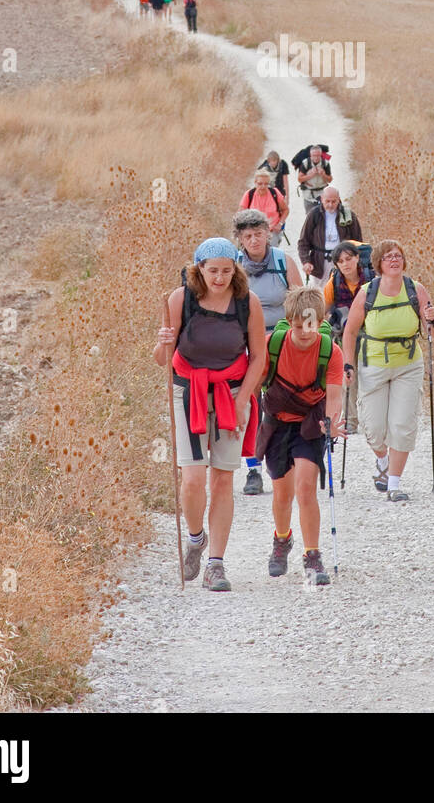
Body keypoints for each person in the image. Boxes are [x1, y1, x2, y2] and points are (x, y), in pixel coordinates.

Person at [154, 237, 267, 591]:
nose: (219, 278)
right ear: (199, 269)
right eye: (212, 270)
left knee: (222, 479)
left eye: (226, 271)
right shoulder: (180, 299)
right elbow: (161, 360)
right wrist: (163, 342)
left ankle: (216, 565)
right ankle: (195, 538)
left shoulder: (247, 302)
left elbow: (258, 357)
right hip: (188, 391)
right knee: (192, 480)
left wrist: (243, 400)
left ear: (235, 270)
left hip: (231, 392)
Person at [256, 286, 345, 586]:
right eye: (298, 326)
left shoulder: (330, 351)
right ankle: (282, 539)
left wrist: (330, 423)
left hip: (311, 423)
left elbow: (334, 396)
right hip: (278, 422)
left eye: (311, 326)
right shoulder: (273, 345)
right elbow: (255, 384)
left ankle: (312, 555)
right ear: (289, 322)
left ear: (321, 321)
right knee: (282, 494)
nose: (305, 333)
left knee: (306, 488)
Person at [341, 239, 434, 503]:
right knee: (373, 428)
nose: (394, 260)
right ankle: (382, 460)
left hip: (408, 365)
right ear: (378, 264)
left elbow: (433, 332)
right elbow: (350, 332)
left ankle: (393, 484)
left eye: (398, 256)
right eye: (388, 257)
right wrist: (348, 364)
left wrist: (431, 320)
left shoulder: (416, 289)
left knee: (402, 425)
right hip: (373, 365)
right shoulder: (367, 293)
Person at [234, 208, 303, 496]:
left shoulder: (283, 261)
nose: (254, 240)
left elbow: (301, 302)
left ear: (268, 234)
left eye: (259, 234)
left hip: (280, 339)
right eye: (248, 236)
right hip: (245, 343)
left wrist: (294, 336)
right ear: (240, 239)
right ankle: (253, 468)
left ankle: (285, 462)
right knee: (251, 404)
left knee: (283, 402)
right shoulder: (233, 266)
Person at [323, 240, 374, 435]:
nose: (345, 264)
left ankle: (371, 419)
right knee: (348, 375)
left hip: (371, 335)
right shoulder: (334, 283)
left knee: (371, 376)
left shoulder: (372, 279)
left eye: (349, 258)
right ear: (336, 264)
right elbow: (324, 309)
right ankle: (351, 420)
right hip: (345, 336)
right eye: (341, 261)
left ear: (357, 258)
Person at [298, 185, 362, 283]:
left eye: (334, 201)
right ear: (322, 199)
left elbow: (358, 241)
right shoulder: (314, 215)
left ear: (339, 200)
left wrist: (358, 262)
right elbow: (303, 242)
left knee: (344, 289)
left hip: (344, 262)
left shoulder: (348, 215)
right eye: (327, 201)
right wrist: (306, 261)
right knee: (322, 291)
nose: (330, 205)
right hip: (320, 263)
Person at [239, 169, 289, 243]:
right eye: (260, 183)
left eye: (266, 184)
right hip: (254, 235)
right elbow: (240, 215)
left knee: (270, 250)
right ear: (255, 183)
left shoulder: (274, 193)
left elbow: (285, 210)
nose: (263, 186)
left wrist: (280, 224)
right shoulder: (249, 194)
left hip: (272, 233)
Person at [293, 144, 332, 214]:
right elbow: (300, 179)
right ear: (310, 155)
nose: (316, 158)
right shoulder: (305, 163)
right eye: (314, 156)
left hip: (323, 195)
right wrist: (311, 175)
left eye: (318, 155)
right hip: (309, 196)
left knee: (324, 216)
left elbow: (330, 180)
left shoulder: (325, 163)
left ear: (321, 155)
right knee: (310, 217)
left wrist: (323, 175)